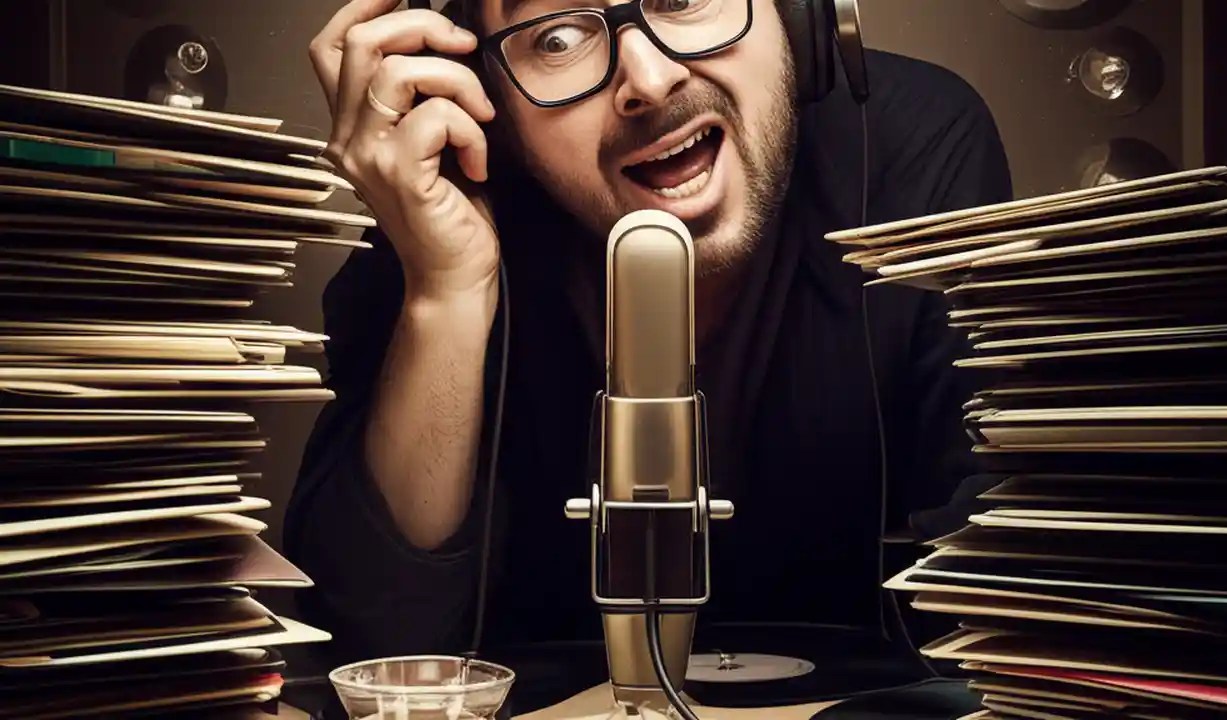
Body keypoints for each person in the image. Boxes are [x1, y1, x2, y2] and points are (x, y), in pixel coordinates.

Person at [283, 0, 1011, 709]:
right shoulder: (438, 200)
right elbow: (371, 661)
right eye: (558, 38)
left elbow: (1011, 618)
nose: (649, 77)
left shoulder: (920, 144)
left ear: (802, 18)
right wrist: (444, 291)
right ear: (483, 97)